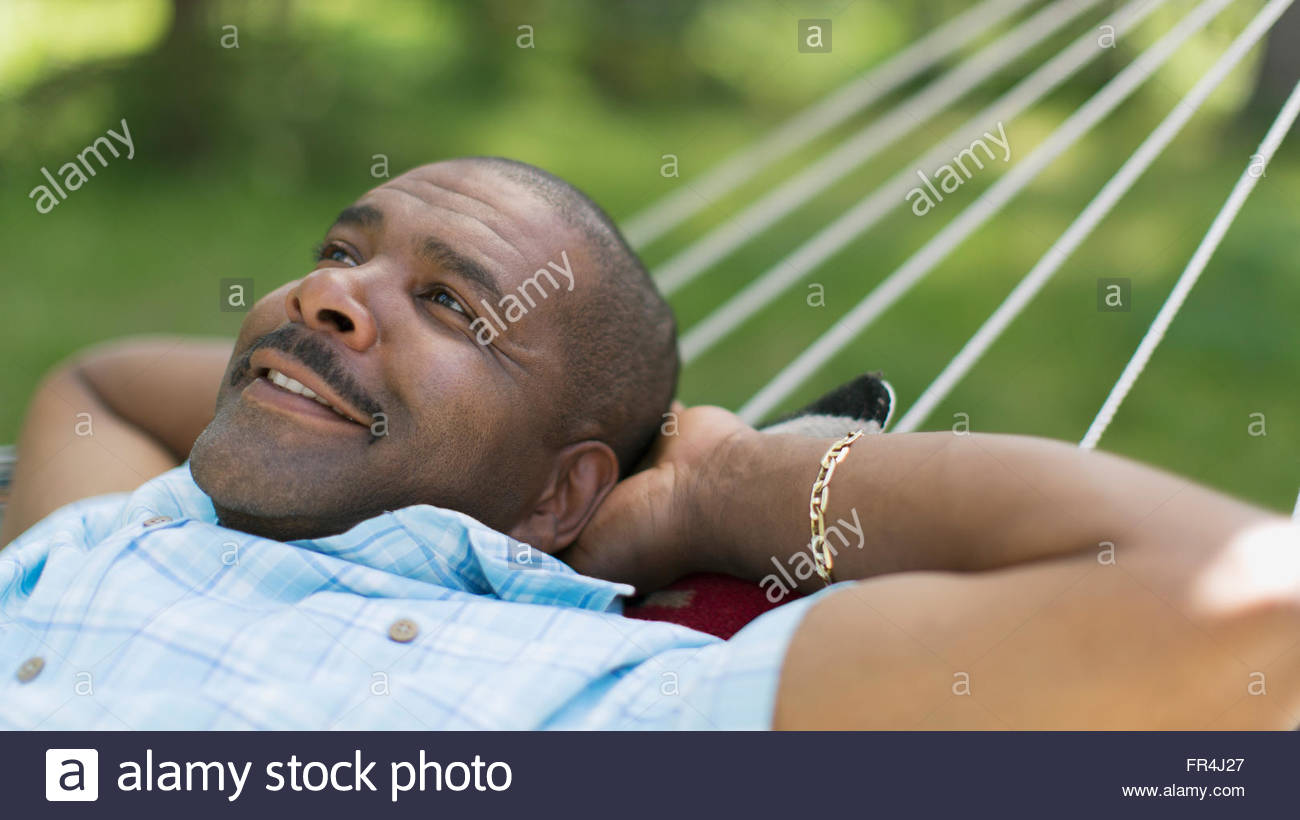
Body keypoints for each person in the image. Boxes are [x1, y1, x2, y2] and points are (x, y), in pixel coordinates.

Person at [2, 157, 1297, 729]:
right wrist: (305, 383)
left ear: (563, 494)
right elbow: (98, 384)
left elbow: (1239, 606)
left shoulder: (603, 699)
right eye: (341, 254)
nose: (325, 293)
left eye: (453, 305)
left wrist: (723, 486)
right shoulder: (127, 526)